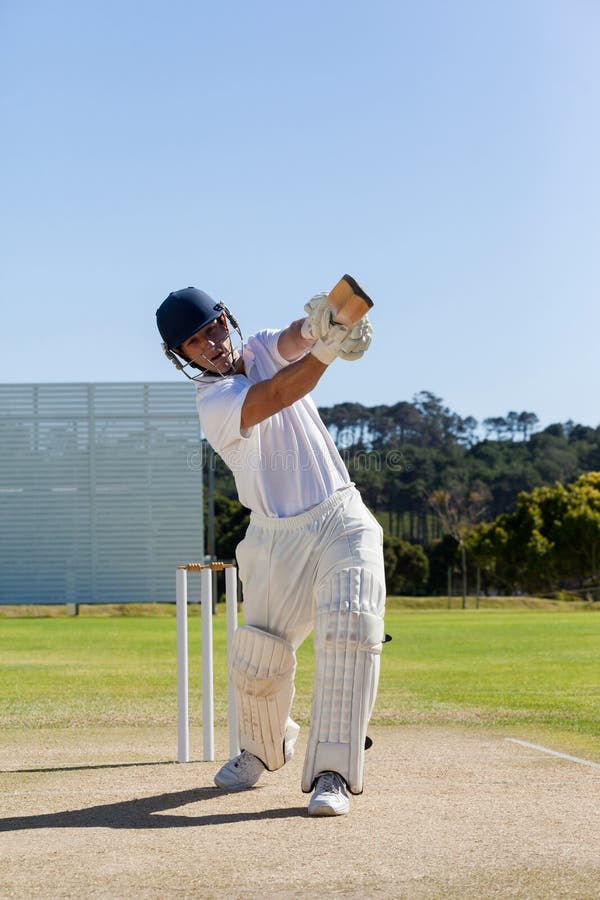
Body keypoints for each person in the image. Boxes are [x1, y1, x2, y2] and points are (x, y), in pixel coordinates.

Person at [156, 282, 386, 817]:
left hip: (339, 517)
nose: (212, 343)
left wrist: (326, 321)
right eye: (196, 342)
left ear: (227, 319)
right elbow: (280, 393)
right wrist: (329, 347)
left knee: (350, 629)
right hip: (273, 538)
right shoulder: (213, 403)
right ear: (183, 357)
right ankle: (263, 747)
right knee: (259, 658)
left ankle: (333, 770)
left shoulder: (257, 346)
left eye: (214, 326)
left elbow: (294, 338)